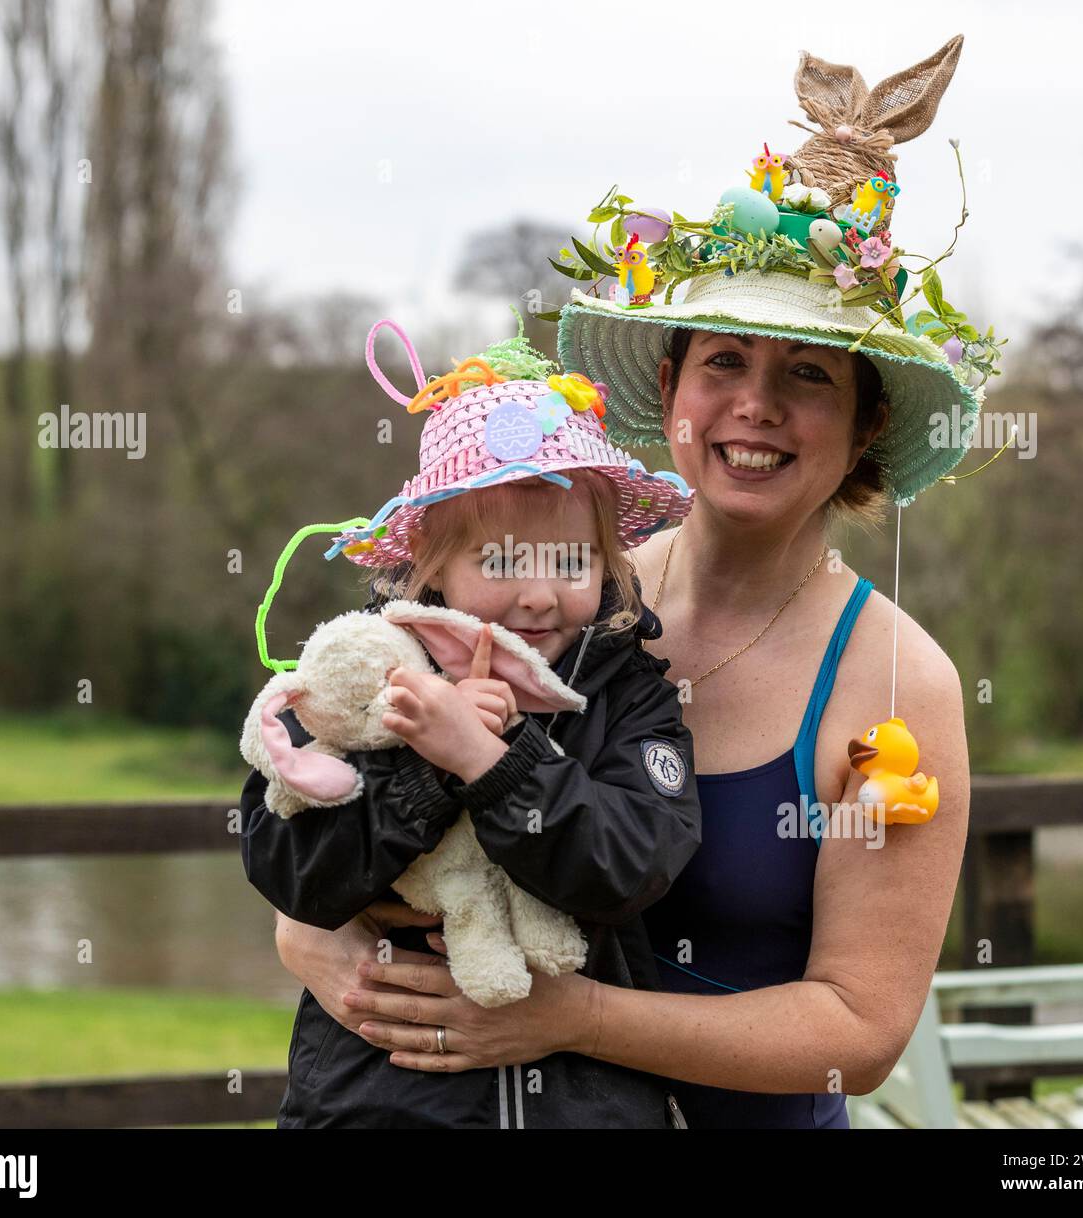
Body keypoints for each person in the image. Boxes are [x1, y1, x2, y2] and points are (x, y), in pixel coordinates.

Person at [268, 36, 997, 1128]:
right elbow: (316, 845)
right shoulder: (534, 595)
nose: (757, 406)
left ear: (863, 428)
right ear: (671, 390)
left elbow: (858, 1031)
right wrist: (326, 955)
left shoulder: (894, 689)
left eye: (807, 376)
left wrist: (573, 1018)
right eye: (724, 365)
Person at [240, 317, 703, 1128]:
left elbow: (634, 865)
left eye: (570, 561)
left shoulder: (630, 695)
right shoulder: (370, 674)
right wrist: (425, 772)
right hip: (380, 1102)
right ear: (432, 567)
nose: (537, 594)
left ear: (608, 564)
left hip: (582, 1104)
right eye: (499, 561)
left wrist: (496, 760)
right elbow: (289, 865)